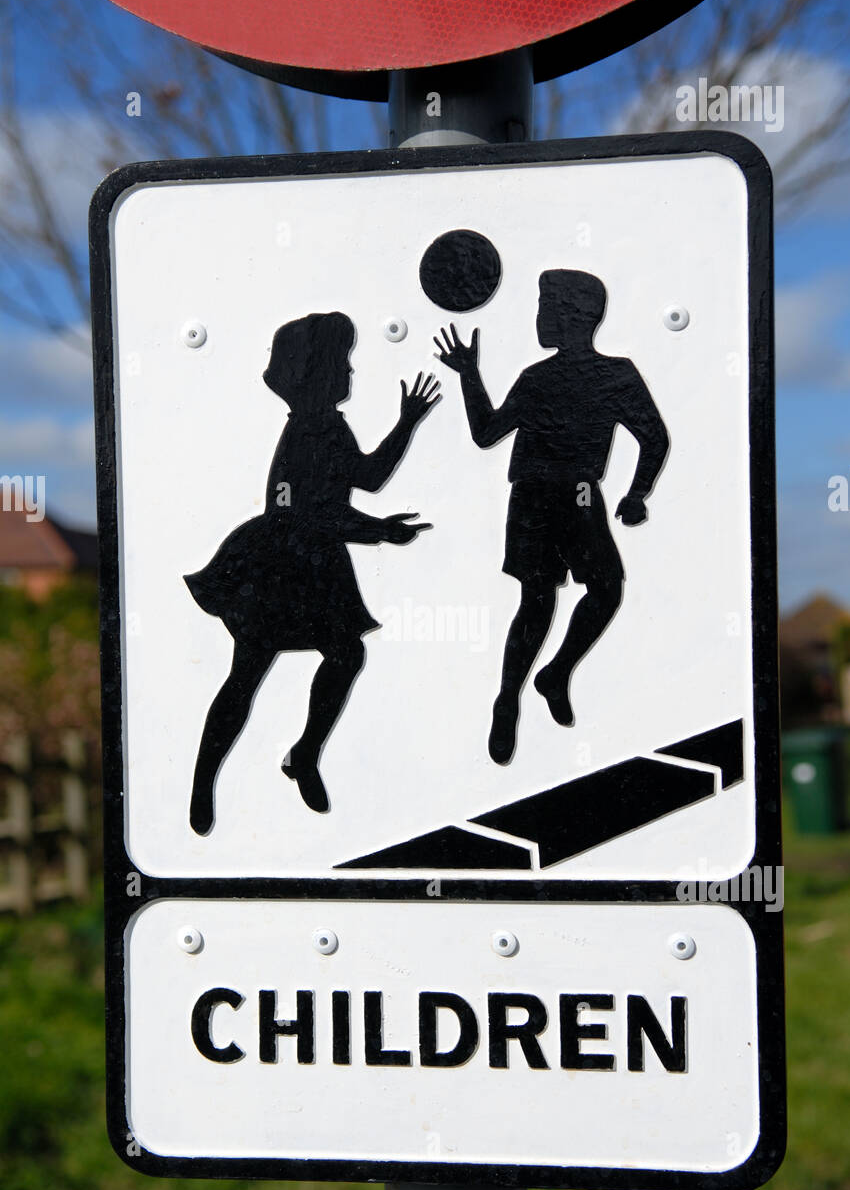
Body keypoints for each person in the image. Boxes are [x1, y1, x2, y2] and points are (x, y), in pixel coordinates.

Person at [186, 311, 439, 829]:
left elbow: (365, 477)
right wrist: (380, 531)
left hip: (313, 561)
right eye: (342, 363)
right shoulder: (310, 429)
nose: (350, 373)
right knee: (249, 672)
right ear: (318, 373)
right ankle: (203, 779)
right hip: (284, 562)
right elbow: (314, 510)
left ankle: (303, 754)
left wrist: (406, 423)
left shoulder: (328, 424)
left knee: (339, 654)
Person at [437, 269, 669, 764]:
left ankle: (556, 672)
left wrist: (637, 493)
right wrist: (468, 374)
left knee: (605, 588)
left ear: (574, 318)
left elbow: (655, 437)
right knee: (536, 601)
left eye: (546, 309)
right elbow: (487, 433)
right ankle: (508, 699)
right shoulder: (536, 377)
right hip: (534, 496)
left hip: (580, 492)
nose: (539, 318)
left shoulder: (616, 374)